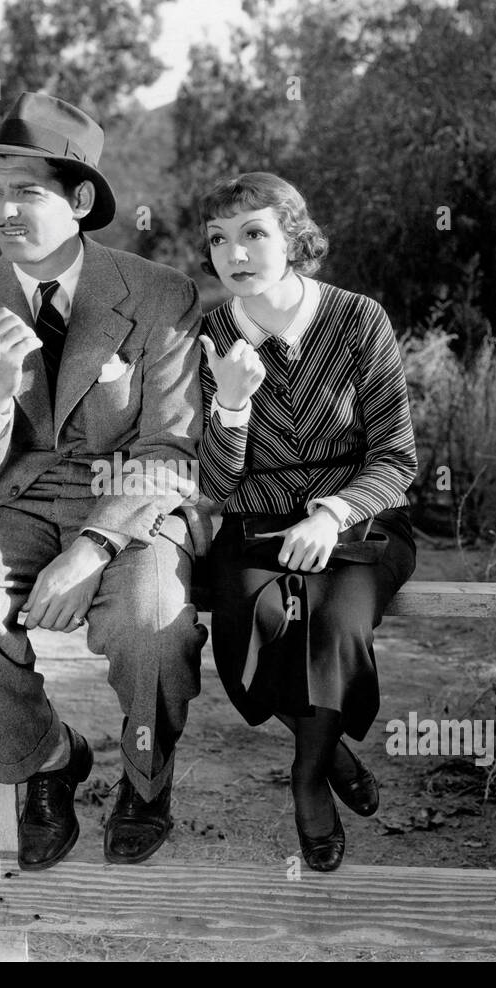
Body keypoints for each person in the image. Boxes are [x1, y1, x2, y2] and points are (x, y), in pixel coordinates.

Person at [0, 93, 207, 870]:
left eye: (27, 191)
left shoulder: (161, 293)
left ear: (78, 200)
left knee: (153, 621)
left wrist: (94, 548)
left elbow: (169, 446)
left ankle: (146, 779)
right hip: (11, 500)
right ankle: (45, 760)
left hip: (131, 503)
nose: (5, 209)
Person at [195, 171, 418, 872]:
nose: (235, 252)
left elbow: (396, 457)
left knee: (334, 624)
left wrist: (332, 513)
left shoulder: (358, 319)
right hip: (255, 521)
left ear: (292, 237)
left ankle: (308, 779)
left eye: (254, 232)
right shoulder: (212, 335)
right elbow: (218, 484)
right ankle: (335, 751)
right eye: (219, 239)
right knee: (243, 630)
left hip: (363, 519)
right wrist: (230, 407)